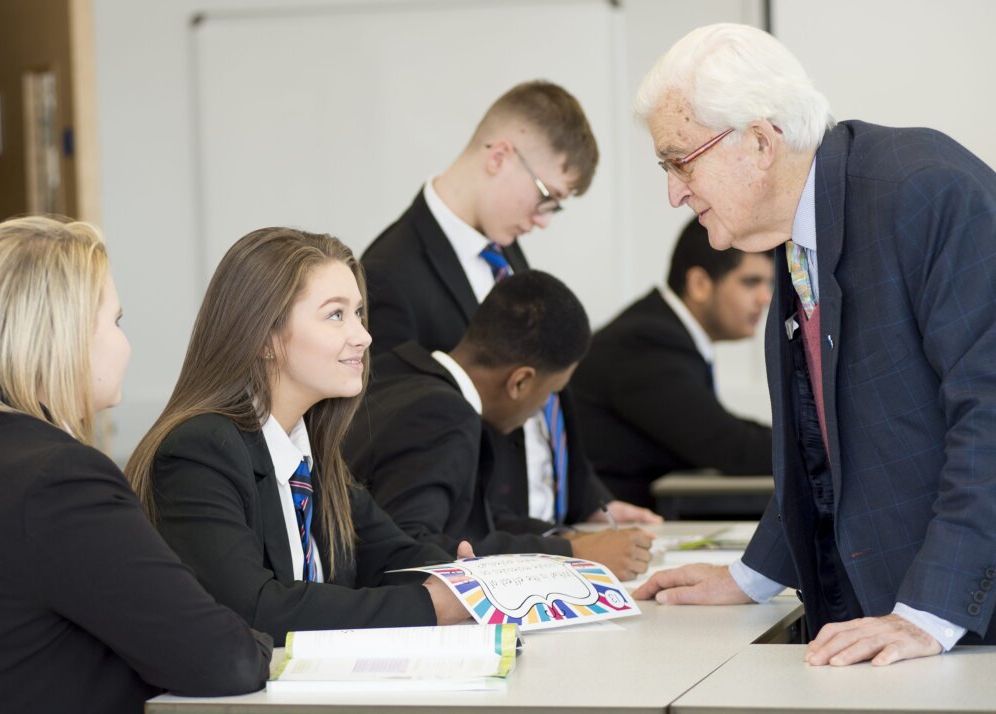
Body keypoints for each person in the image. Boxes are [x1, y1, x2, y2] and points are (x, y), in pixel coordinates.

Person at [630, 23, 996, 666]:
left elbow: (989, 413)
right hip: (886, 625)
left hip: (961, 627)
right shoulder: (799, 234)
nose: (674, 192)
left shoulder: (925, 191)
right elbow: (822, 443)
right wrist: (754, 576)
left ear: (762, 142)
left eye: (679, 160)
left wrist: (931, 611)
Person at [0, 217, 271, 713]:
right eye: (115, 321)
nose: (124, 343)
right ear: (62, 334)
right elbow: (225, 660)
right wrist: (255, 641)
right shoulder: (58, 480)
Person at [126, 228, 470, 646]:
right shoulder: (199, 450)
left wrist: (462, 580)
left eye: (359, 313)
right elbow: (253, 610)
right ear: (266, 338)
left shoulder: (308, 449)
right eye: (336, 315)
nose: (363, 336)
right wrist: (429, 606)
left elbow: (392, 556)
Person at [362, 79, 659, 530]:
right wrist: (543, 541)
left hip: (552, 531)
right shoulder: (390, 273)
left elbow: (548, 386)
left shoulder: (503, 247)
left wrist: (590, 502)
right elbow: (398, 443)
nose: (542, 221)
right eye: (546, 198)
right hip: (488, 544)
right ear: (499, 156)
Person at [345, 271, 655, 580]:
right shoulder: (444, 415)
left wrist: (567, 539)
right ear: (520, 382)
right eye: (550, 393)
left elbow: (471, 521)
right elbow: (408, 550)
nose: (542, 407)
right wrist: (572, 556)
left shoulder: (397, 372)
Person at [571, 216, 774, 509]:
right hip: (608, 526)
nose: (765, 298)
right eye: (750, 282)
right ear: (700, 284)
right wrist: (826, 447)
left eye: (768, 283)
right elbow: (731, 447)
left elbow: (723, 429)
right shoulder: (646, 342)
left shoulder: (666, 332)